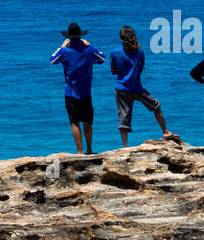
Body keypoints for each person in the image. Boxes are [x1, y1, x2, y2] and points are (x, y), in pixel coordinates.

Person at [110, 25, 177, 147]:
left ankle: (125, 146)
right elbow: (140, 68)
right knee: (156, 105)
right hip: (137, 87)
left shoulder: (115, 52)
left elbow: (114, 71)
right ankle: (165, 131)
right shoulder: (140, 51)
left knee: (124, 118)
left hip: (122, 88)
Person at [50, 22, 106, 154]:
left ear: (69, 37)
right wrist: (89, 45)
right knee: (87, 122)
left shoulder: (64, 51)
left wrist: (62, 46)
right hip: (86, 92)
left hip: (70, 92)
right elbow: (102, 59)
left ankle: (80, 152)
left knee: (74, 122)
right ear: (80, 36)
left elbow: (53, 60)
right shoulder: (89, 50)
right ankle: (90, 150)